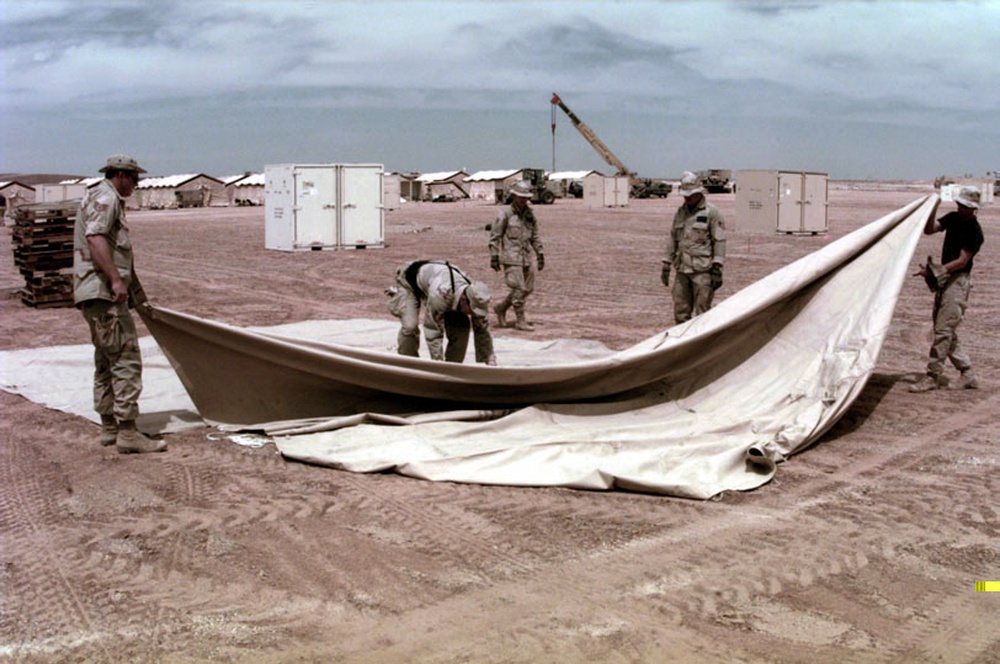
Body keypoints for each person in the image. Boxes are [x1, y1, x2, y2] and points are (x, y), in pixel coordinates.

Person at [73, 154, 166, 454]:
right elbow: (96, 238)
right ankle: (127, 432)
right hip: (103, 294)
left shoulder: (97, 196)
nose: (136, 185)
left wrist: (137, 295)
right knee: (126, 358)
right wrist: (114, 280)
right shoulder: (106, 197)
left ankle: (109, 427)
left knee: (106, 359)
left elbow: (118, 251)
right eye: (135, 178)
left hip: (94, 295)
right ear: (121, 175)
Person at [909, 186, 984, 393]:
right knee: (945, 329)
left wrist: (935, 271)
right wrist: (935, 204)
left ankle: (933, 375)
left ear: (974, 209)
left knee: (943, 330)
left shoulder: (974, 231)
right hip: (946, 280)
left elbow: (961, 261)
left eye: (965, 206)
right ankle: (967, 373)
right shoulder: (953, 217)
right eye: (960, 204)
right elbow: (929, 229)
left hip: (957, 282)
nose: (961, 209)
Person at [388, 260, 498, 365]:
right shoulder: (441, 294)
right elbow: (433, 330)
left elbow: (482, 328)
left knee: (462, 328)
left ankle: (453, 367)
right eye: (472, 311)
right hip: (409, 282)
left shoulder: (477, 295)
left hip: (440, 286)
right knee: (410, 326)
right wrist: (437, 362)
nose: (473, 314)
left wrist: (488, 357)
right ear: (464, 301)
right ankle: (408, 362)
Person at [661, 171, 727, 324]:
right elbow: (672, 237)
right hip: (682, 269)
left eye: (690, 195)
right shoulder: (681, 212)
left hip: (702, 271)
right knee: (680, 311)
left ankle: (703, 345)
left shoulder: (712, 212)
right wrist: (666, 263)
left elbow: (719, 240)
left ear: (698, 193)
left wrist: (717, 267)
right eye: (685, 196)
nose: (687, 198)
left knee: (702, 313)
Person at [489, 180, 545, 331]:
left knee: (527, 289)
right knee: (519, 288)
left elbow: (535, 235)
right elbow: (495, 235)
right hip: (511, 257)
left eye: (526, 197)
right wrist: (494, 256)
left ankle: (501, 308)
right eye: (521, 197)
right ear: (514, 196)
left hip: (526, 257)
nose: (524, 200)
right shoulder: (505, 213)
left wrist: (540, 253)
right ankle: (520, 321)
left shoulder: (529, 214)